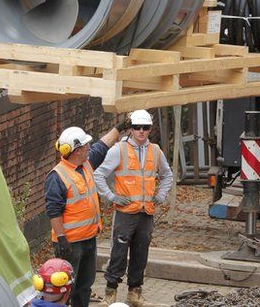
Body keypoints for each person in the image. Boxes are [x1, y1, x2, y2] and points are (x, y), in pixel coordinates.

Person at [93, 110, 174, 307]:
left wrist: (161, 195)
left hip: (146, 213)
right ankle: (110, 293)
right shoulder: (119, 150)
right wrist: (112, 197)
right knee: (118, 253)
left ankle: (134, 294)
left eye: (145, 128)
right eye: (137, 127)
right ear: (130, 129)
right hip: (125, 214)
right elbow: (98, 175)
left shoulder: (155, 151)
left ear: (150, 129)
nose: (141, 131)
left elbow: (167, 175)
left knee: (140, 253)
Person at [46, 124, 121, 307]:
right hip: (70, 244)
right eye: (86, 145)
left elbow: (103, 145)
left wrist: (119, 128)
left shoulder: (86, 164)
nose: (89, 147)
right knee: (67, 288)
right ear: (77, 150)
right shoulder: (57, 176)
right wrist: (62, 239)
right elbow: (54, 211)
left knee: (85, 285)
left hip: (88, 239)